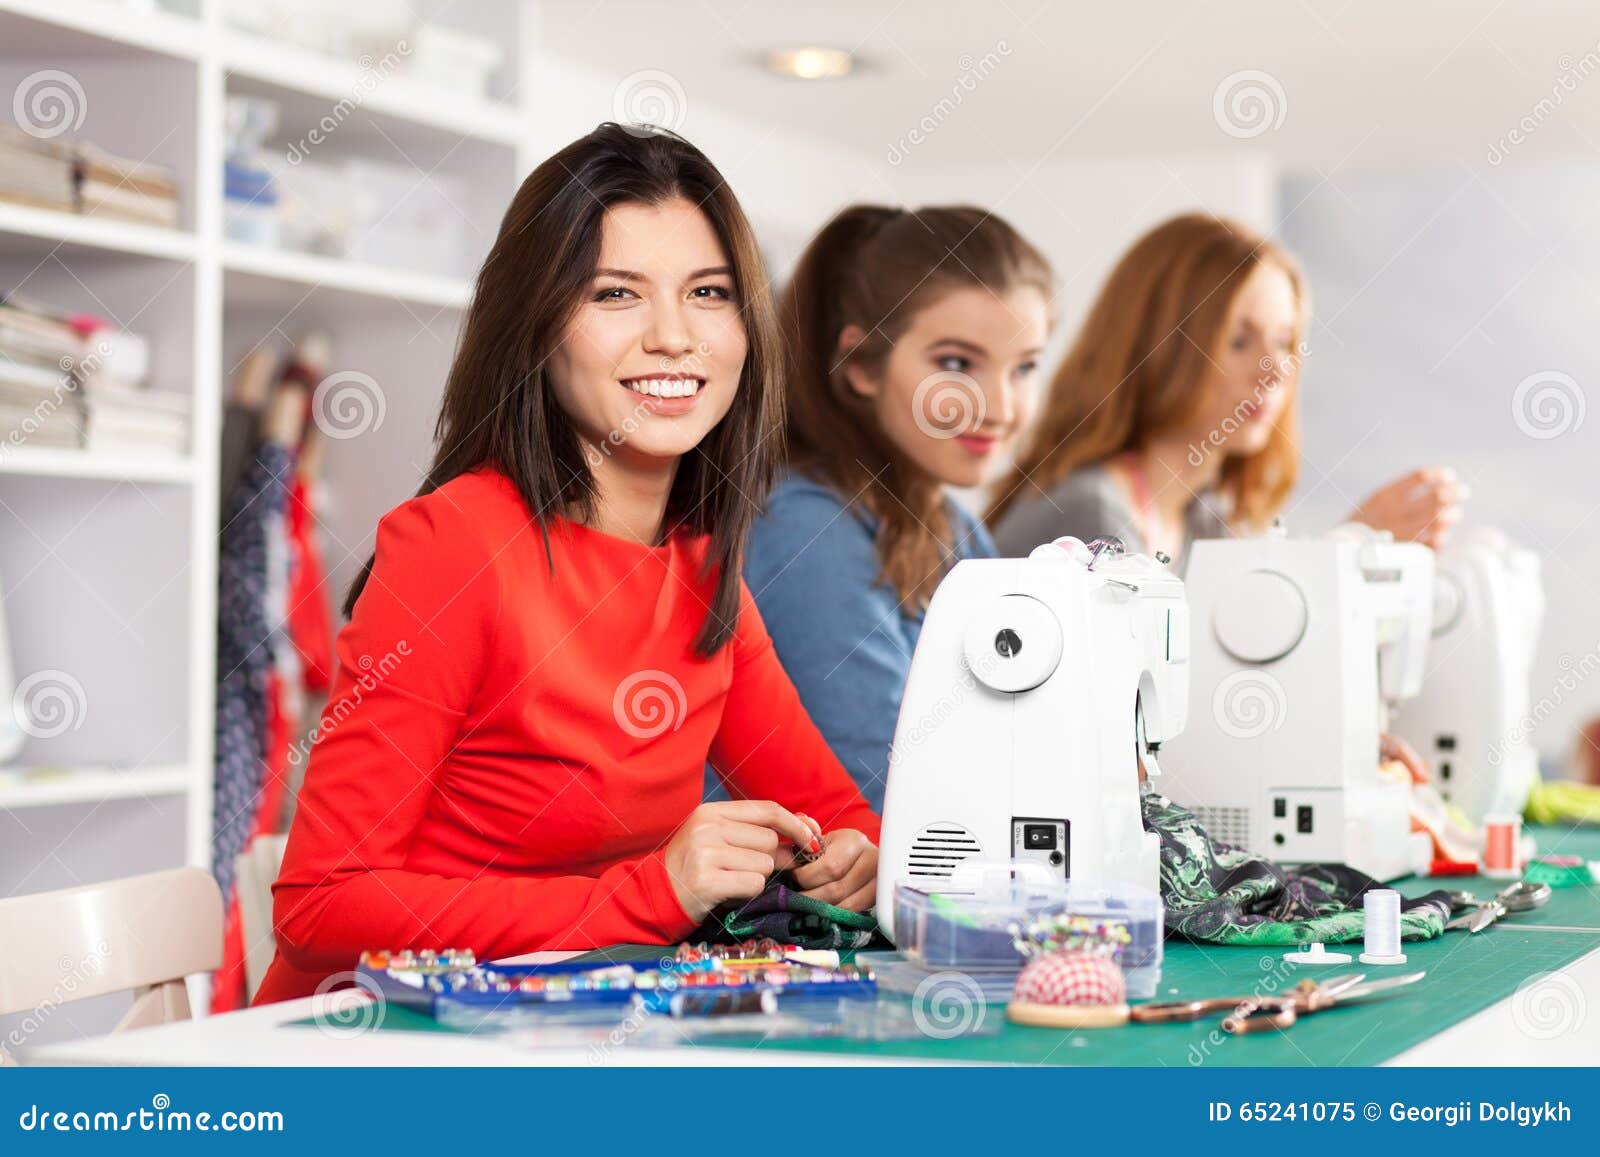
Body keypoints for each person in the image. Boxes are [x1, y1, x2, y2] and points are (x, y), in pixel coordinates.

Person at [255, 125, 880, 1004]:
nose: (674, 337)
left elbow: (838, 818)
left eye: (709, 292)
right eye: (615, 294)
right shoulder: (454, 548)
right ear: (537, 324)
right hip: (372, 1044)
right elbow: (322, 905)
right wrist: (654, 894)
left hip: (571, 1030)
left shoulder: (704, 568)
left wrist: (856, 862)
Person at [731, 205, 1051, 810]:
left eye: (1025, 366)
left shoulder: (956, 528)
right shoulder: (809, 528)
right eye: (956, 364)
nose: (1001, 407)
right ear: (860, 365)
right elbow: (888, 792)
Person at [988, 213, 1467, 566]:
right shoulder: (1088, 519)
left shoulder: (1204, 518)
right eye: (1239, 340)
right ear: (1159, 346)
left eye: (1284, 342)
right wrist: (1350, 550)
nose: (1275, 370)